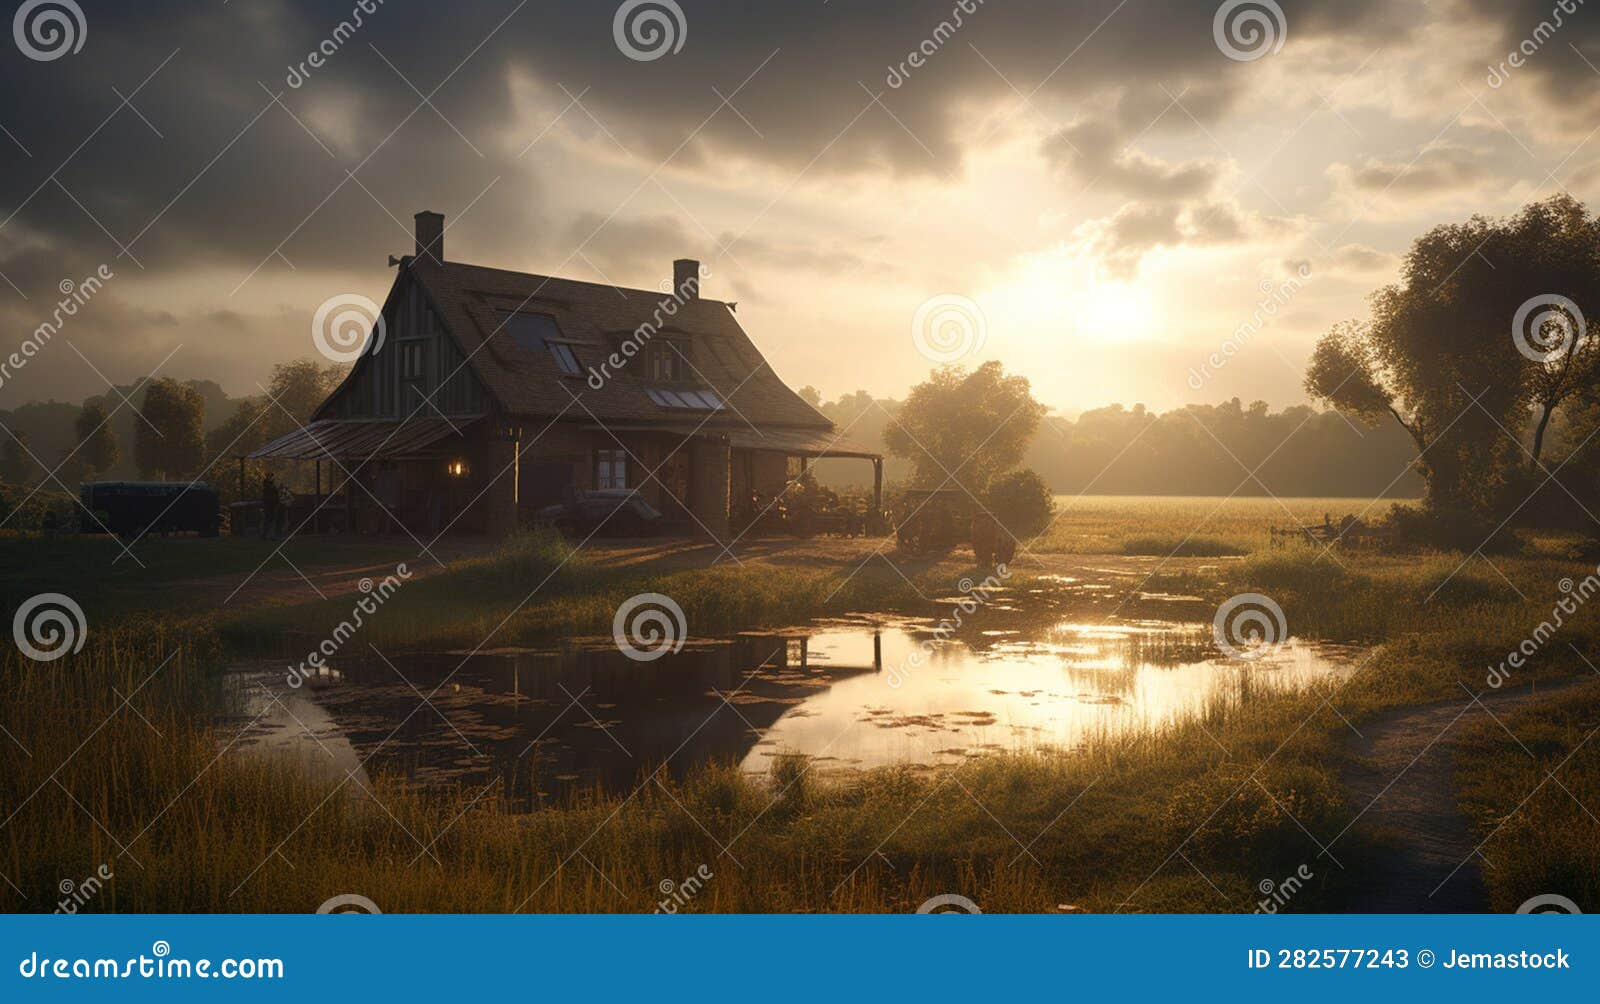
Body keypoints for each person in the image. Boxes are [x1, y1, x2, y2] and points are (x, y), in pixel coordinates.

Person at [260, 473, 279, 539]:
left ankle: (270, 535)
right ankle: (266, 535)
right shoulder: (267, 486)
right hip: (268, 505)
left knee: (271, 520)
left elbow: (276, 495)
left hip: (272, 505)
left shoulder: (272, 486)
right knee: (268, 520)